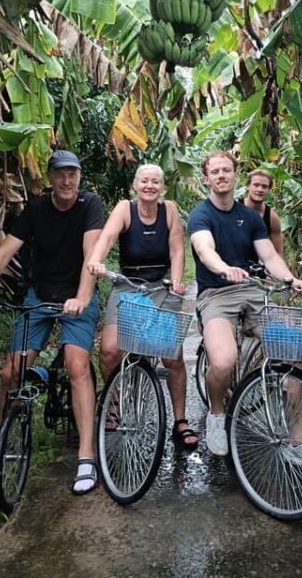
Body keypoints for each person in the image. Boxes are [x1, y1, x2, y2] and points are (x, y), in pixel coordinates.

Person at [0, 150, 104, 496]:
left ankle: (87, 455)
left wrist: (83, 298)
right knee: (10, 373)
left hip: (77, 295)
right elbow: (3, 252)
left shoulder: (90, 205)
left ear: (79, 177)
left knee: (77, 367)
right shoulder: (36, 210)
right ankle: (2, 437)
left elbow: (92, 257)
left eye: (72, 174)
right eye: (60, 174)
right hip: (39, 297)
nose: (67, 181)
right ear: (50, 177)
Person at [188, 151, 302, 466]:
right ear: (207, 178)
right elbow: (204, 248)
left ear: (235, 176)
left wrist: (291, 279)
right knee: (223, 361)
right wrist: (224, 268)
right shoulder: (200, 215)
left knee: (301, 352)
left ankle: (298, 440)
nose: (221, 175)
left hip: (253, 294)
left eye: (227, 170)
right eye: (215, 171)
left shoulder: (250, 217)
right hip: (217, 296)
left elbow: (269, 257)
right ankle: (216, 412)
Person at [85, 164, 198, 449]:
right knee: (110, 350)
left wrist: (176, 279)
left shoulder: (169, 210)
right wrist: (96, 260)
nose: (150, 186)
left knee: (172, 356)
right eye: (144, 181)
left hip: (161, 286)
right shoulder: (125, 209)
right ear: (136, 186)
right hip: (128, 284)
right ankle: (112, 403)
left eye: (155, 182)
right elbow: (107, 238)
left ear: (162, 187)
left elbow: (176, 248)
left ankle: (180, 420)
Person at [240, 168, 283, 256]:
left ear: (269, 190)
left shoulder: (272, 218)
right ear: (248, 186)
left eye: (264, 186)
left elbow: (278, 252)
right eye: (256, 185)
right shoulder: (234, 208)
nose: (260, 189)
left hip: (259, 266)